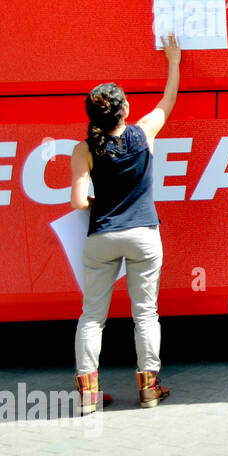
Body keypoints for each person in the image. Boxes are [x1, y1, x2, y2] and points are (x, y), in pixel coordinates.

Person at [68, 34, 182, 413]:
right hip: (144, 236)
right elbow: (168, 101)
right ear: (126, 109)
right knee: (145, 314)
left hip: (102, 237)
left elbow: (79, 201)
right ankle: (149, 388)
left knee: (92, 317)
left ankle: (88, 395)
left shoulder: (84, 150)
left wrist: (102, 199)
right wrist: (174, 61)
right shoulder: (142, 133)